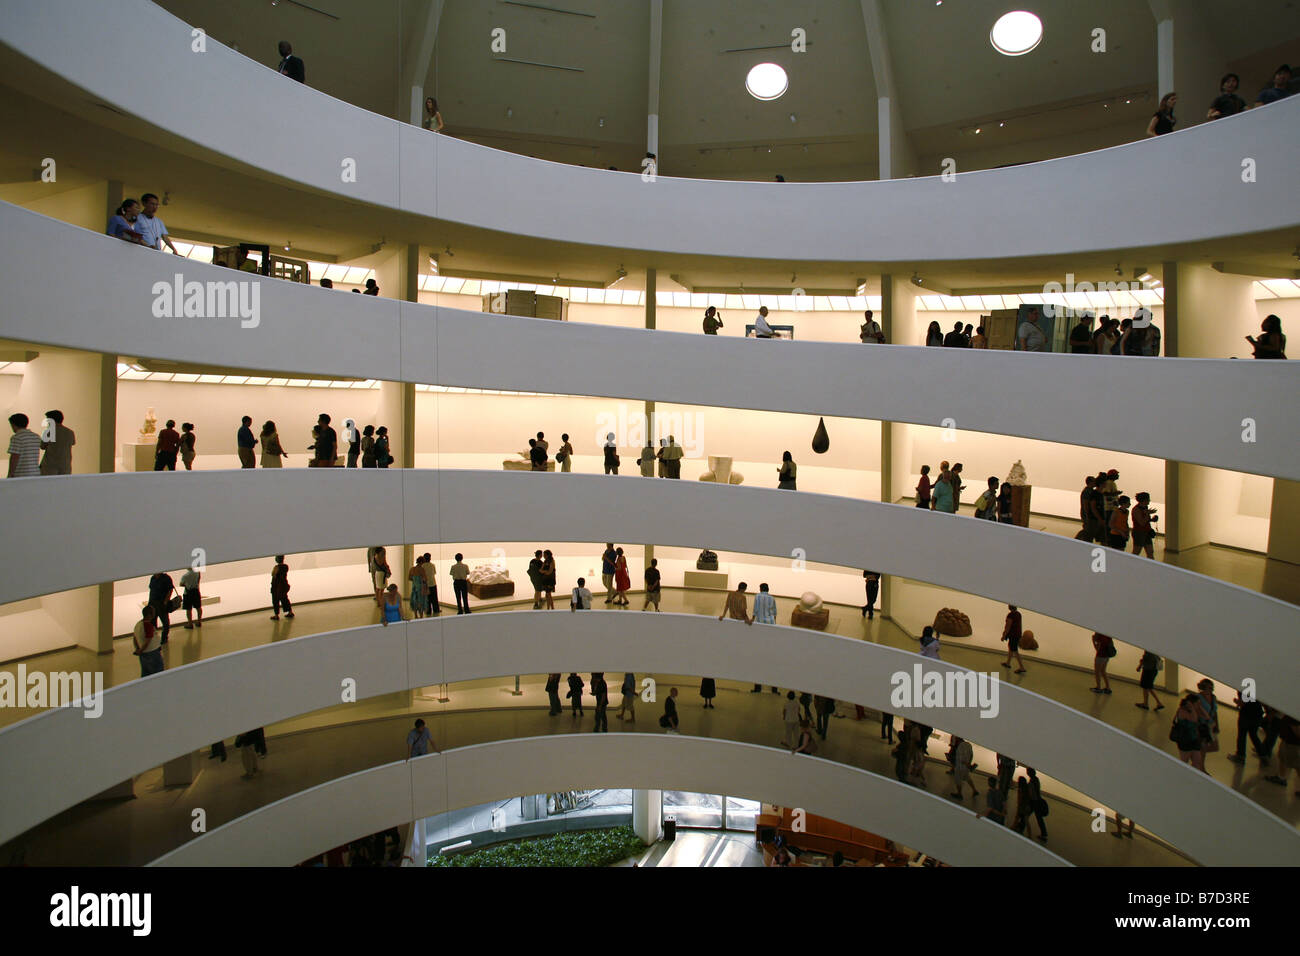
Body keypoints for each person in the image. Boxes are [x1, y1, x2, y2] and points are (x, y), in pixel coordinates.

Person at [1228, 690, 1267, 766]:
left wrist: (1237, 701)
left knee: (1242, 735)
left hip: (1246, 715)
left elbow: (1243, 702)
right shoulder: (1254, 687)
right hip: (1257, 715)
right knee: (1254, 735)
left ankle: (1240, 756)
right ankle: (1263, 755)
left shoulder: (1242, 689)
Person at [1264, 712, 1300, 790]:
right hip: (1287, 740)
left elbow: (1298, 732)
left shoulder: (1294, 716)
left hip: (1293, 743)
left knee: (1297, 765)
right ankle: (1281, 777)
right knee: (1282, 758)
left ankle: (1281, 777)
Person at [1172, 694, 1208, 772]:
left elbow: (1206, 716)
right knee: (1184, 762)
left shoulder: (1194, 710)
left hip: (1194, 739)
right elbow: (1194, 719)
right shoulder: (1183, 711)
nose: (1199, 705)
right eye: (1197, 703)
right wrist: (1192, 708)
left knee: (1197, 762)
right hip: (1185, 740)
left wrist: (1199, 707)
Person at [37, 411, 75, 475]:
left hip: (50, 467)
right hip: (65, 466)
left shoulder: (49, 432)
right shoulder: (70, 432)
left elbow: (42, 446)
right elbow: (73, 443)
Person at [133, 606, 163, 678]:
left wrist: (138, 648)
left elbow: (135, 638)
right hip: (152, 652)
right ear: (150, 614)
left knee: (146, 673)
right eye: (153, 613)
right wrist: (141, 650)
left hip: (143, 653)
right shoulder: (148, 625)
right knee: (157, 672)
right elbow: (148, 640)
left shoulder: (138, 624)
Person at [7, 414, 41, 478]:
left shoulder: (17, 437)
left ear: (14, 425)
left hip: (21, 474)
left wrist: (10, 474)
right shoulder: (36, 437)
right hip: (36, 473)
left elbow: (15, 457)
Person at [147, 570, 175, 645]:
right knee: (153, 622)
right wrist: (149, 603)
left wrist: (165, 601)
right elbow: (151, 590)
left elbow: (170, 590)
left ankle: (164, 638)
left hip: (161, 604)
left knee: (165, 622)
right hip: (153, 603)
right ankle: (154, 638)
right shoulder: (153, 578)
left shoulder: (166, 578)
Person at [949, 736, 978, 803]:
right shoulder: (968, 745)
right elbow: (971, 755)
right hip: (966, 767)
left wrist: (968, 765)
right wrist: (969, 764)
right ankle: (974, 790)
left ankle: (959, 794)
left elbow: (961, 759)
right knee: (967, 778)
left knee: (958, 780)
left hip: (960, 767)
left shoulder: (960, 747)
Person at [1001, 604, 1026, 673]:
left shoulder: (1010, 615)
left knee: (1015, 651)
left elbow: (1008, 626)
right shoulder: (1018, 614)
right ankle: (1008, 663)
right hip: (1017, 635)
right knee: (1011, 648)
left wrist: (1004, 635)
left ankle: (1022, 667)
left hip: (1013, 635)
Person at [1130, 492, 1156, 558]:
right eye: (1148, 499)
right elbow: (1141, 523)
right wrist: (1148, 513)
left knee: (1150, 552)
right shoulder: (1136, 509)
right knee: (1136, 552)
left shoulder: (1145, 507)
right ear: (1144, 500)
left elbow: (1146, 520)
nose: (1149, 500)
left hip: (1147, 531)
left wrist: (1152, 519)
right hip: (1139, 533)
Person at [270, 555, 293, 620]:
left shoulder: (276, 567)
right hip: (284, 586)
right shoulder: (286, 566)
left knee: (275, 601)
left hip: (276, 587)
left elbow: (273, 574)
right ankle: (290, 612)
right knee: (285, 599)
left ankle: (276, 615)